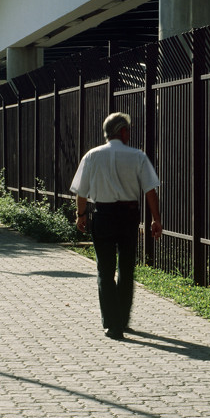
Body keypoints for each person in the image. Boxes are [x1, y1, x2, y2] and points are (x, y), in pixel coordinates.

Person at [70, 111, 162, 339]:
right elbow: (150, 190)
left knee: (105, 269)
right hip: (129, 216)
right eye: (128, 130)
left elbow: (81, 192)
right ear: (122, 131)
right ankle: (122, 319)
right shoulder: (137, 156)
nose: (129, 134)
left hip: (103, 215)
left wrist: (81, 215)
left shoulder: (92, 156)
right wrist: (156, 219)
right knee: (127, 268)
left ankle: (112, 324)